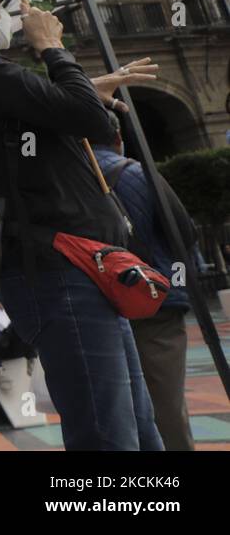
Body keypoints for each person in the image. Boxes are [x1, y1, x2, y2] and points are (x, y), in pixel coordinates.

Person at [0, 0, 163, 450]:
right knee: (108, 435)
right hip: (62, 269)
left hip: (72, 267)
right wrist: (52, 46)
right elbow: (86, 120)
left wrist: (84, 89)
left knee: (134, 428)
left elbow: (58, 113)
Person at [93, 107, 199, 450]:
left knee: (112, 410)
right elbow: (184, 231)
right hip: (156, 306)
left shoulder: (68, 179)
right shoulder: (140, 173)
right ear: (118, 138)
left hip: (98, 308)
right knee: (167, 407)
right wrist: (180, 285)